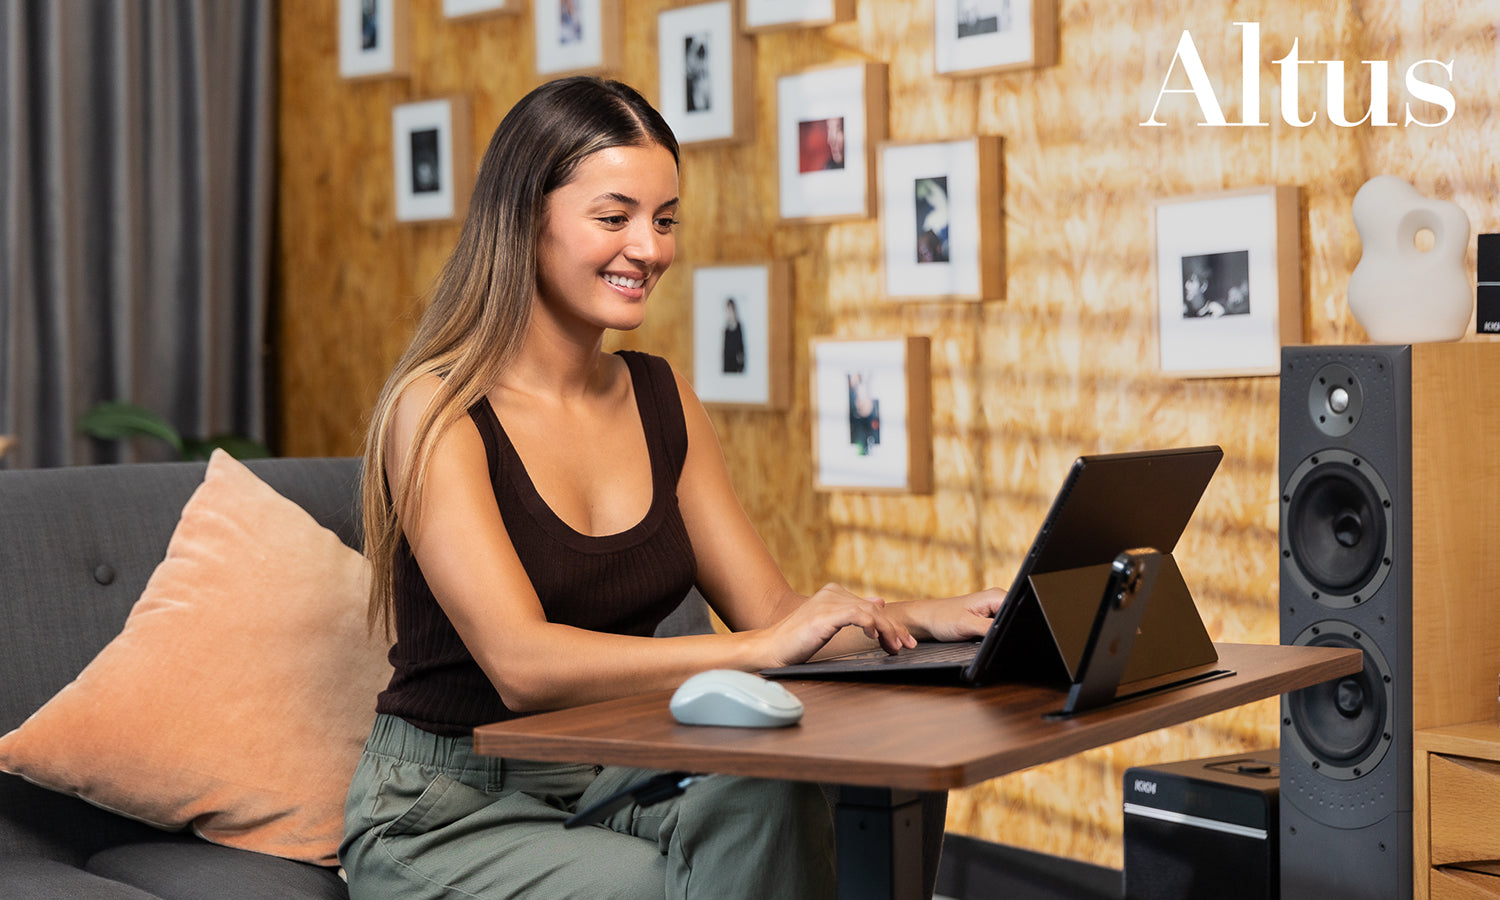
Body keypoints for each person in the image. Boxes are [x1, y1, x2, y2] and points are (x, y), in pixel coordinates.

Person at [340, 76, 1004, 900]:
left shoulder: (661, 399)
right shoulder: (437, 411)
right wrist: (755, 655)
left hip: (610, 767)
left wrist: (919, 622)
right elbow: (521, 664)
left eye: (665, 219)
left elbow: (772, 616)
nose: (649, 249)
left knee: (773, 791)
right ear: (525, 220)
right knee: (664, 888)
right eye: (614, 218)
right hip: (447, 805)